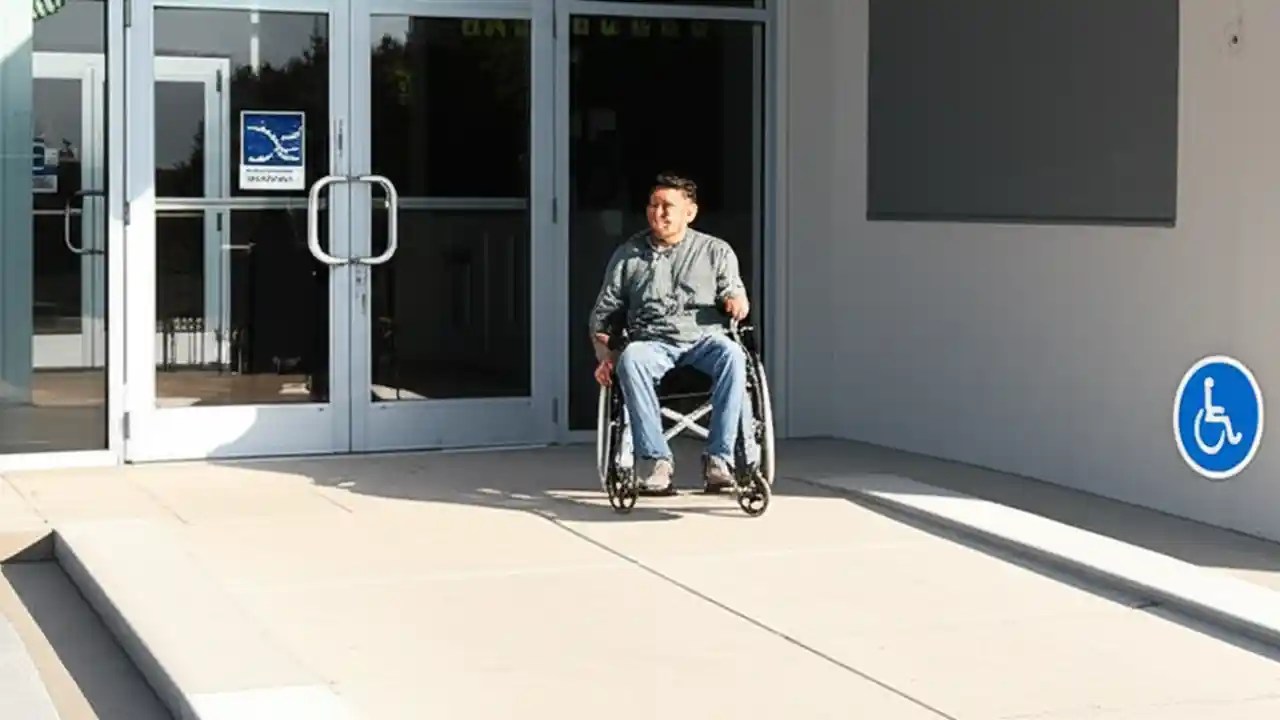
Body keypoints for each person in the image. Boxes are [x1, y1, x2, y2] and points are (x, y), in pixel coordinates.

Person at [588, 173, 753, 494]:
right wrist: (604, 353)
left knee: (734, 355)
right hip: (652, 341)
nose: (658, 212)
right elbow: (604, 314)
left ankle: (719, 459)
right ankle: (656, 461)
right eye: (653, 205)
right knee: (631, 359)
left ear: (689, 212)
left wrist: (736, 302)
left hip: (706, 338)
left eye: (667, 206)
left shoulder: (715, 251)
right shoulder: (629, 255)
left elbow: (737, 293)